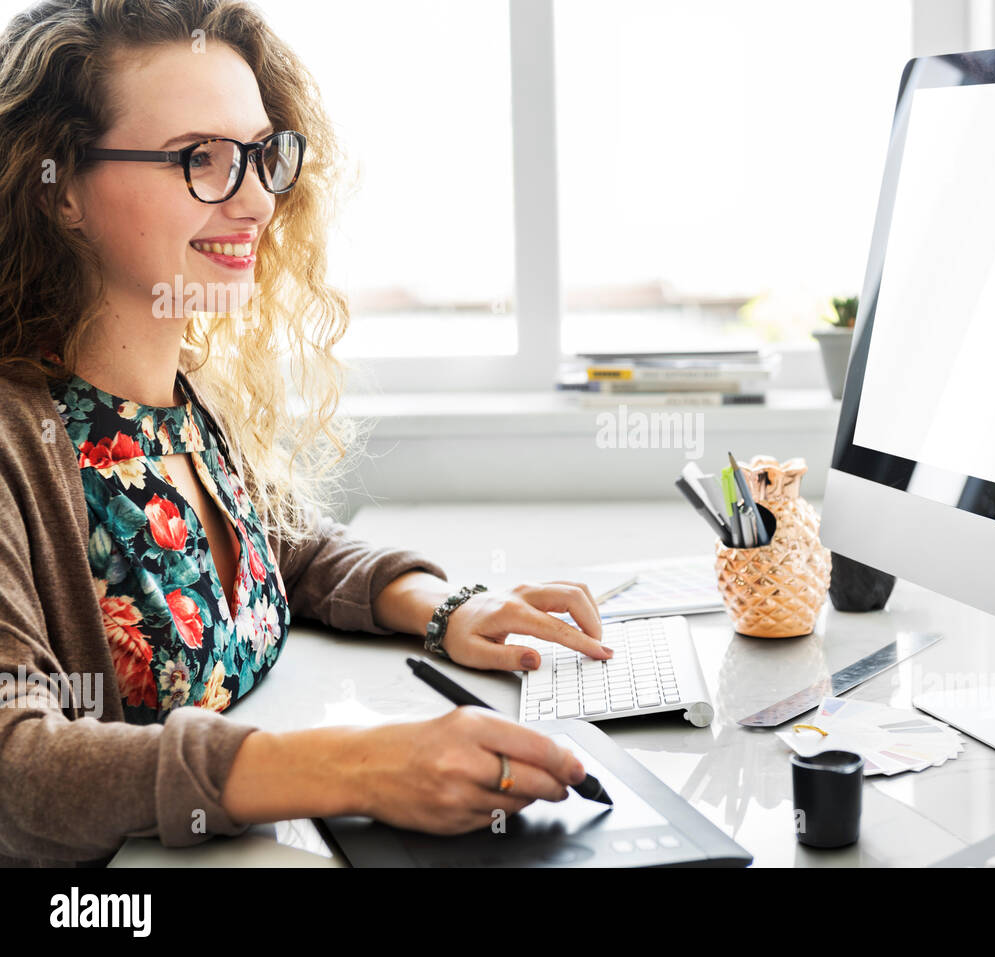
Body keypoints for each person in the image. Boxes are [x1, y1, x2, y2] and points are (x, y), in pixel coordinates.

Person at [0, 0, 613, 866]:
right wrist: (361, 765)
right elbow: (16, 763)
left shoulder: (184, 400)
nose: (255, 199)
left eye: (260, 154)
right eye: (198, 159)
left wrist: (448, 607)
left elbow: (280, 549)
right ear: (60, 187)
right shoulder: (15, 443)